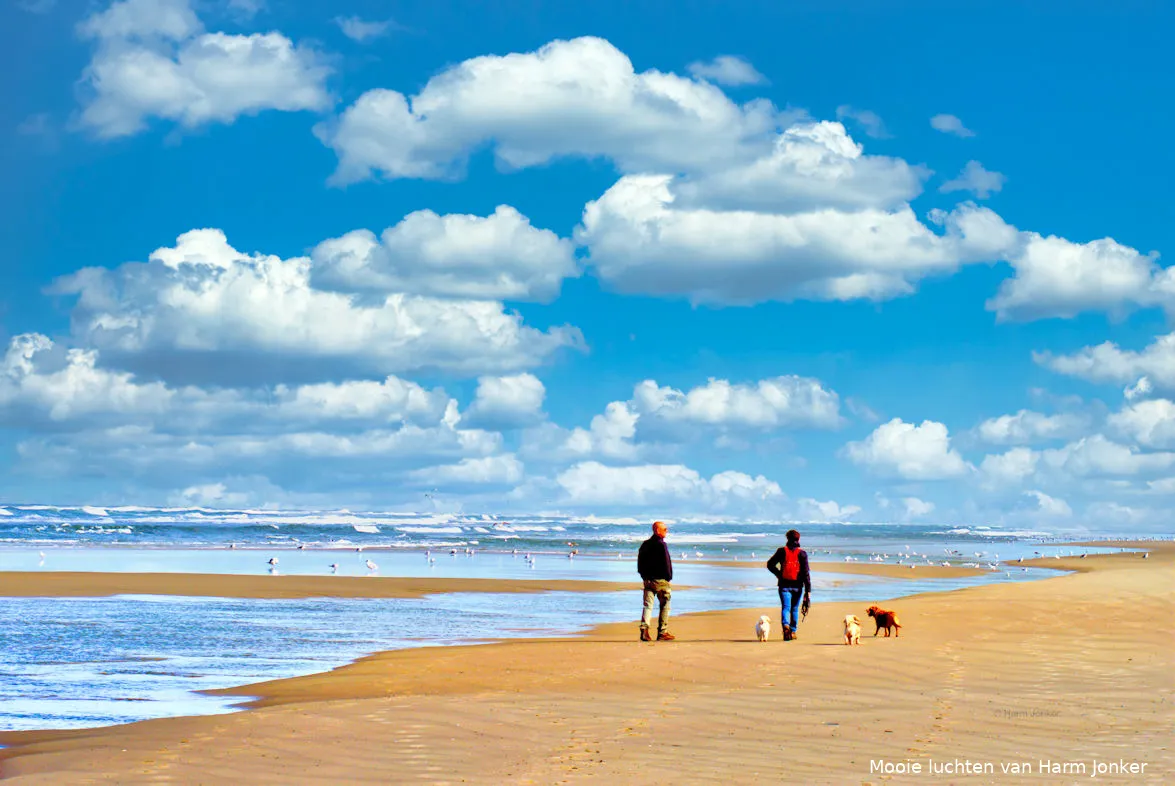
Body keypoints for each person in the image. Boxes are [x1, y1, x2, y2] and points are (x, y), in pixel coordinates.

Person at [766, 529, 811, 641]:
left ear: (787, 539)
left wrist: (779, 575)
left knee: (786, 608)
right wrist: (808, 590)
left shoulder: (781, 551)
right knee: (794, 608)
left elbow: (770, 564)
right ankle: (793, 631)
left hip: (784, 585)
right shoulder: (802, 553)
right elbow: (806, 573)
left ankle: (785, 626)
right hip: (798, 586)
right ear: (798, 539)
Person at [637, 520, 675, 641]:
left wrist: (643, 576)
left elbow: (640, 563)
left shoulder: (645, 544)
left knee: (648, 605)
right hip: (660, 580)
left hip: (648, 579)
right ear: (657, 531)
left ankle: (644, 629)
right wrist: (669, 577)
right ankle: (662, 632)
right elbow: (666, 563)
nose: (666, 531)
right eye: (665, 529)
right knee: (665, 604)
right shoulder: (661, 545)